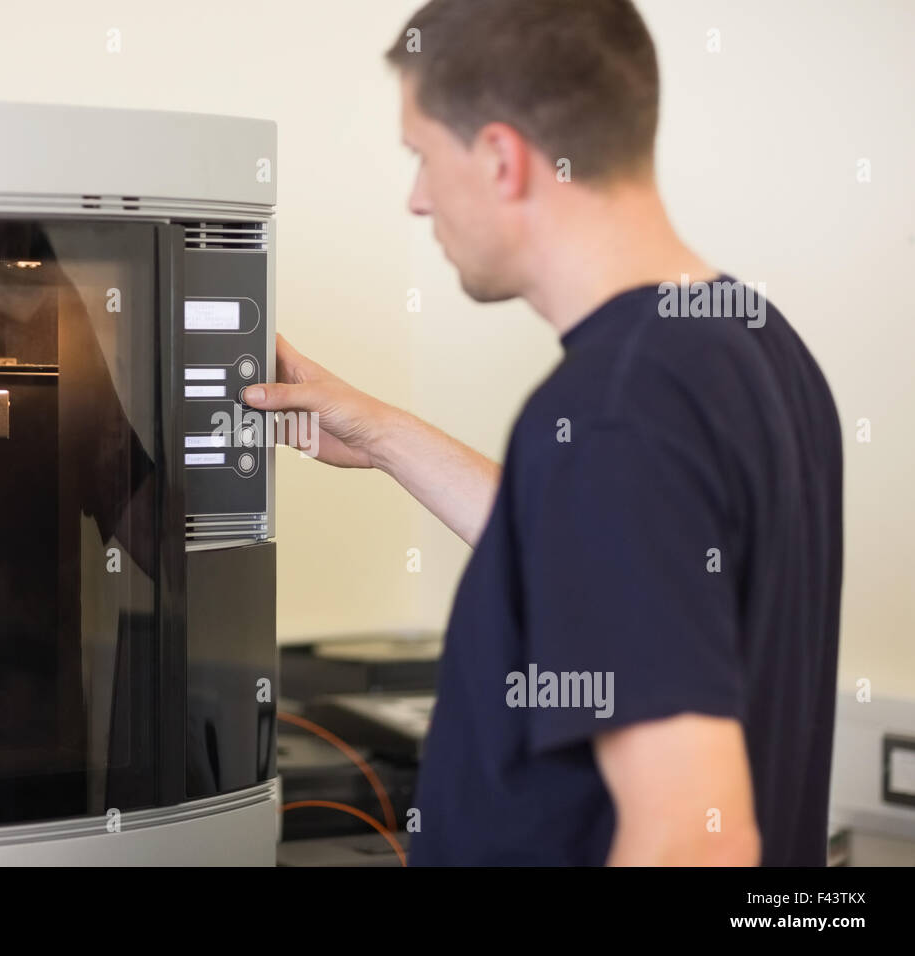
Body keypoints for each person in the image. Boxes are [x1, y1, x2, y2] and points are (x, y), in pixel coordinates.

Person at [243, 0, 842, 865]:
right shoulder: (748, 341)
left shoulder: (615, 411)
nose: (415, 199)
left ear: (500, 159)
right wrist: (379, 435)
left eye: (421, 155)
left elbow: (691, 842)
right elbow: (613, 565)